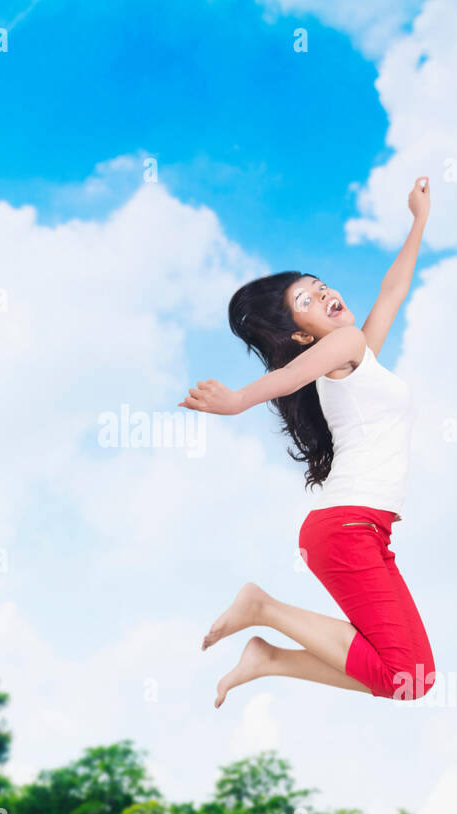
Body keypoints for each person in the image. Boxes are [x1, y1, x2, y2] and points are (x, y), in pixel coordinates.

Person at [180, 176, 437, 708]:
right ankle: (264, 609)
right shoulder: (338, 348)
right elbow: (289, 378)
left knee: (414, 678)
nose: (324, 294)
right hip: (347, 528)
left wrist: (418, 222)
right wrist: (237, 401)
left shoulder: (354, 354)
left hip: (363, 529)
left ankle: (269, 658)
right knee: (401, 677)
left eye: (322, 286)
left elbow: (393, 291)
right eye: (307, 300)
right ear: (301, 335)